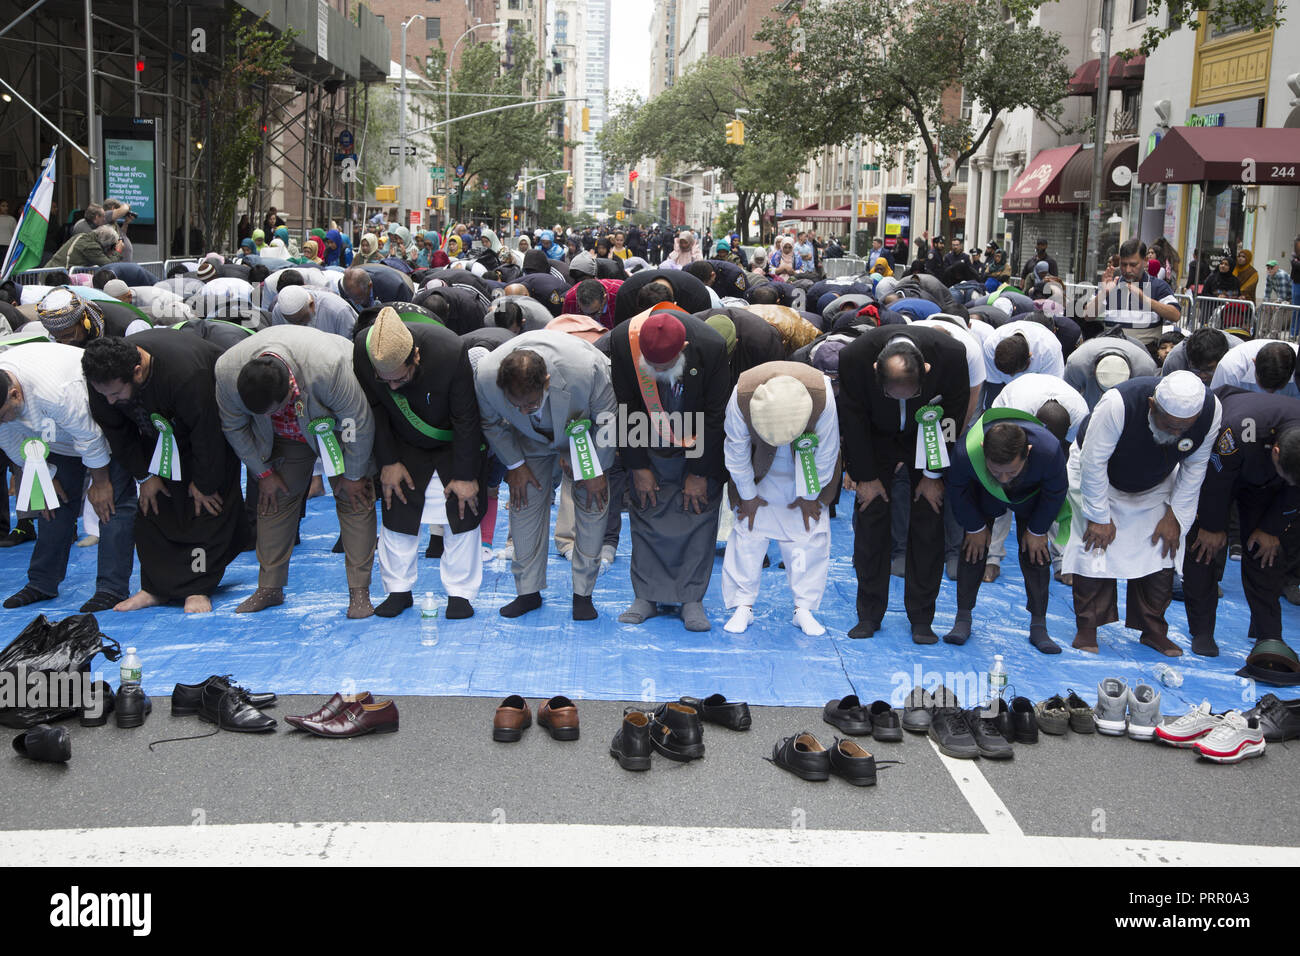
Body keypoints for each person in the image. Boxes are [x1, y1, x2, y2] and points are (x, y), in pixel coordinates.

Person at [215, 325, 378, 617]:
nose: (267, 416)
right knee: (273, 499)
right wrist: (262, 473)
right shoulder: (227, 371)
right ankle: (269, 588)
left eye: (273, 409)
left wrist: (354, 475)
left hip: (337, 427)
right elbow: (234, 427)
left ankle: (359, 592)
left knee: (355, 499)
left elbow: (358, 422)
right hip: (284, 437)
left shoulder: (330, 366)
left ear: (291, 388)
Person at [81, 332, 244, 613]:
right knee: (152, 506)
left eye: (116, 393)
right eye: (103, 394)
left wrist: (204, 482)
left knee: (204, 508)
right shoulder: (102, 377)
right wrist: (144, 475)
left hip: (208, 433)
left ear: (138, 371)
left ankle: (198, 587)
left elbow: (207, 433)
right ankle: (154, 588)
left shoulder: (188, 375)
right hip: (153, 435)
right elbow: (116, 432)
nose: (109, 401)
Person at [1061, 372, 1221, 656]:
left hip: (1156, 482)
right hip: (1100, 477)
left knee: (1163, 546)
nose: (1176, 434)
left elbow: (1195, 468)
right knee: (1093, 547)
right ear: (1152, 405)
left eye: (1184, 428)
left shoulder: (1211, 411)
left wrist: (1175, 517)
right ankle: (1087, 626)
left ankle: (1154, 630)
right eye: (1169, 425)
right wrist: (1099, 516)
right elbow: (1093, 462)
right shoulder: (1118, 404)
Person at [837, 324, 971, 642]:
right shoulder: (854, 357)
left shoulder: (951, 356)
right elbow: (852, 419)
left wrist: (933, 476)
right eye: (890, 392)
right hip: (875, 438)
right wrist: (865, 477)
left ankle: (922, 618)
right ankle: (868, 614)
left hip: (928, 437)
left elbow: (951, 418)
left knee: (928, 520)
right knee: (871, 520)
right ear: (875, 371)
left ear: (925, 371)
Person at [354, 307, 486, 619]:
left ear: (415, 356)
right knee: (395, 506)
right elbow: (374, 405)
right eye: (385, 380)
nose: (393, 387)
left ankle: (460, 594)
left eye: (399, 378)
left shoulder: (450, 351)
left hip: (451, 437)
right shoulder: (362, 348)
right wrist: (388, 461)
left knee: (463, 509)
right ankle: (397, 590)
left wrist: (466, 475)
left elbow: (466, 417)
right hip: (402, 438)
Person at [474, 330, 615, 621]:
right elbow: (491, 424)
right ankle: (527, 592)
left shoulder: (587, 370)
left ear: (546, 381)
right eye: (516, 405)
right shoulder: (487, 377)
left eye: (530, 404)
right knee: (523, 501)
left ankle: (583, 595)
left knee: (592, 501)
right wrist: (515, 466)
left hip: (582, 430)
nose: (523, 409)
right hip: (530, 439)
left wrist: (596, 470)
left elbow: (606, 418)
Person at [610, 310, 729, 631]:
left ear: (685, 347)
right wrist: (637, 466)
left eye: (665, 366)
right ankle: (646, 596)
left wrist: (699, 473)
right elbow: (625, 406)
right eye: (651, 365)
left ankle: (691, 598)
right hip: (646, 433)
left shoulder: (711, 345)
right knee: (647, 506)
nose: (657, 371)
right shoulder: (623, 340)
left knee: (697, 510)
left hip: (699, 434)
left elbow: (716, 415)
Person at [0, 343, 137, 613]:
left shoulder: (57, 392)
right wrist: (42, 474)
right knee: (52, 504)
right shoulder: (4, 400)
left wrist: (100, 483)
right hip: (53, 440)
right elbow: (8, 439)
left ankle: (111, 588)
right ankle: (42, 582)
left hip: (103, 431)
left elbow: (90, 437)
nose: (3, 421)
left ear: (14, 395)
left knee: (111, 504)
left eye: (3, 415)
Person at [721, 363, 840, 637]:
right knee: (748, 533)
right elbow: (736, 449)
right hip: (758, 468)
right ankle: (743, 605)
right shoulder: (742, 393)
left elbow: (827, 452)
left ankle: (803, 608)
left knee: (806, 536)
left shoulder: (821, 394)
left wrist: (810, 496)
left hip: (807, 470)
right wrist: (748, 495)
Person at [1182, 388, 1300, 656]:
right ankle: (1202, 630)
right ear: (1277, 452)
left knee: (1266, 551)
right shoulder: (1238, 431)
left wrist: (1272, 529)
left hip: (1270, 488)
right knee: (1204, 546)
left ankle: (1268, 633)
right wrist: (1212, 526)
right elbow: (1216, 480)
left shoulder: (1291, 475)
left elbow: (1296, 490)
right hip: (1224, 472)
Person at [944, 411, 1068, 653]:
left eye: (1011, 471)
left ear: (1028, 452)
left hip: (1031, 498)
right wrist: (975, 526)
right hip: (984, 494)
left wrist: (1037, 530)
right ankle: (962, 618)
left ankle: (1039, 625)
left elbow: (1056, 491)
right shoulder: (966, 451)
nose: (1002, 477)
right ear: (983, 449)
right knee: (972, 547)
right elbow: (957, 491)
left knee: (1037, 552)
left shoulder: (1049, 450)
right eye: (996, 470)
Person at [1084, 239, 1181, 349]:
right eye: (1124, 265)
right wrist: (1103, 293)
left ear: (1145, 261)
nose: (1128, 270)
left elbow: (1175, 315)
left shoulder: (1158, 286)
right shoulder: (1111, 284)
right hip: (1111, 352)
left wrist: (1145, 300)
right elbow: (1087, 316)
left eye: (1133, 265)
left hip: (1145, 354)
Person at [1210, 339, 1299, 399]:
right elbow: (1216, 407)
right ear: (1254, 362)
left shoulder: (1297, 367)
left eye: (1277, 388)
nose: (1269, 394)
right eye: (1264, 387)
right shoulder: (1230, 368)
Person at [271, 285, 356, 339]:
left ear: (311, 305)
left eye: (301, 320)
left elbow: (349, 346)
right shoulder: (278, 310)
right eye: (292, 322)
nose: (298, 326)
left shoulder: (338, 311)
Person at [46, 225, 122, 270]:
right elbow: (108, 265)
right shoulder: (91, 246)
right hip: (55, 276)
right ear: (106, 243)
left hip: (52, 271)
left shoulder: (82, 236)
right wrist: (117, 251)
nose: (111, 249)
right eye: (111, 246)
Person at [0, 199, 16, 264]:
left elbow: (15, 233)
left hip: (8, 246)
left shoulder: (11, 219)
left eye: (7, 206)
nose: (5, 208)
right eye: (3, 206)